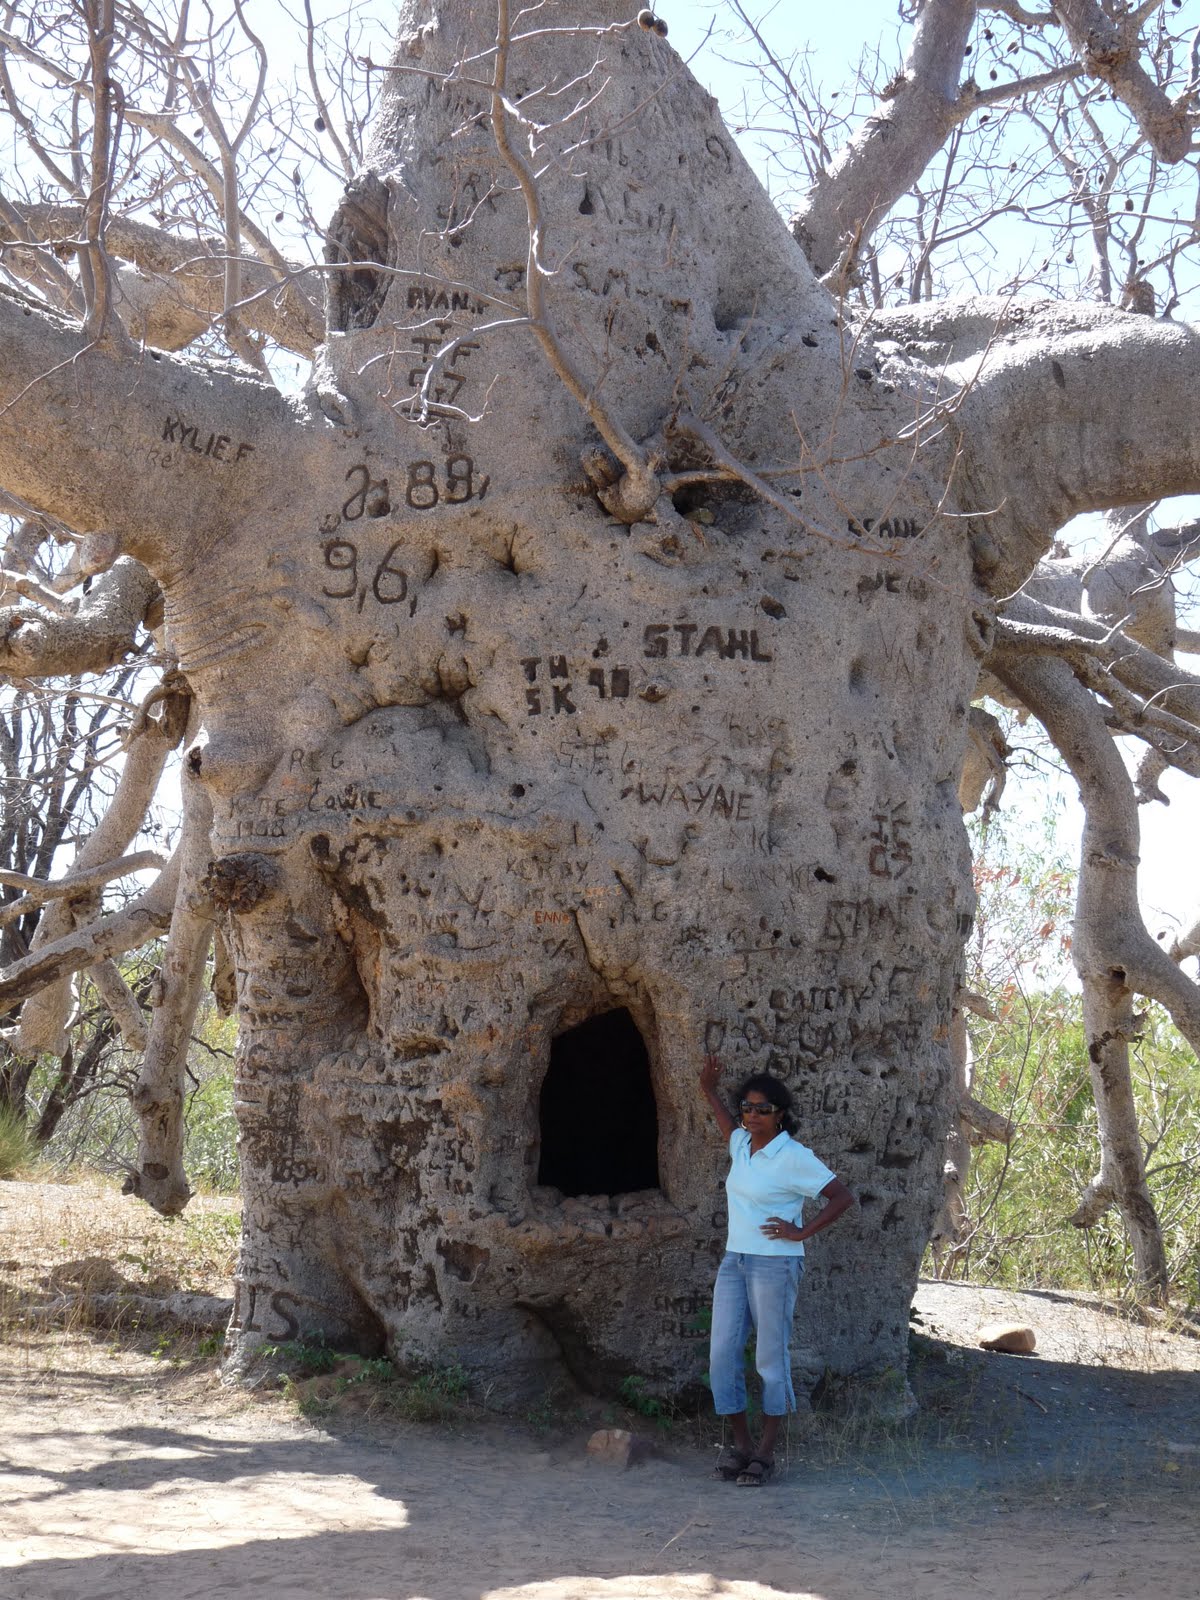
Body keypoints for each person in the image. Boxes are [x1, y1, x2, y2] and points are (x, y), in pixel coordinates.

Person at [699, 1052, 854, 1486]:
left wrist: (801, 1233)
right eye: (746, 1107)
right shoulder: (741, 1145)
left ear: (780, 1114)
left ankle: (765, 1454)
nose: (751, 1116)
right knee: (722, 1357)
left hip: (775, 1265)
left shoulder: (794, 1157)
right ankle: (742, 1446)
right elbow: (726, 1126)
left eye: (762, 1109)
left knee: (770, 1359)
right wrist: (708, 1090)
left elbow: (841, 1197)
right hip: (736, 1261)